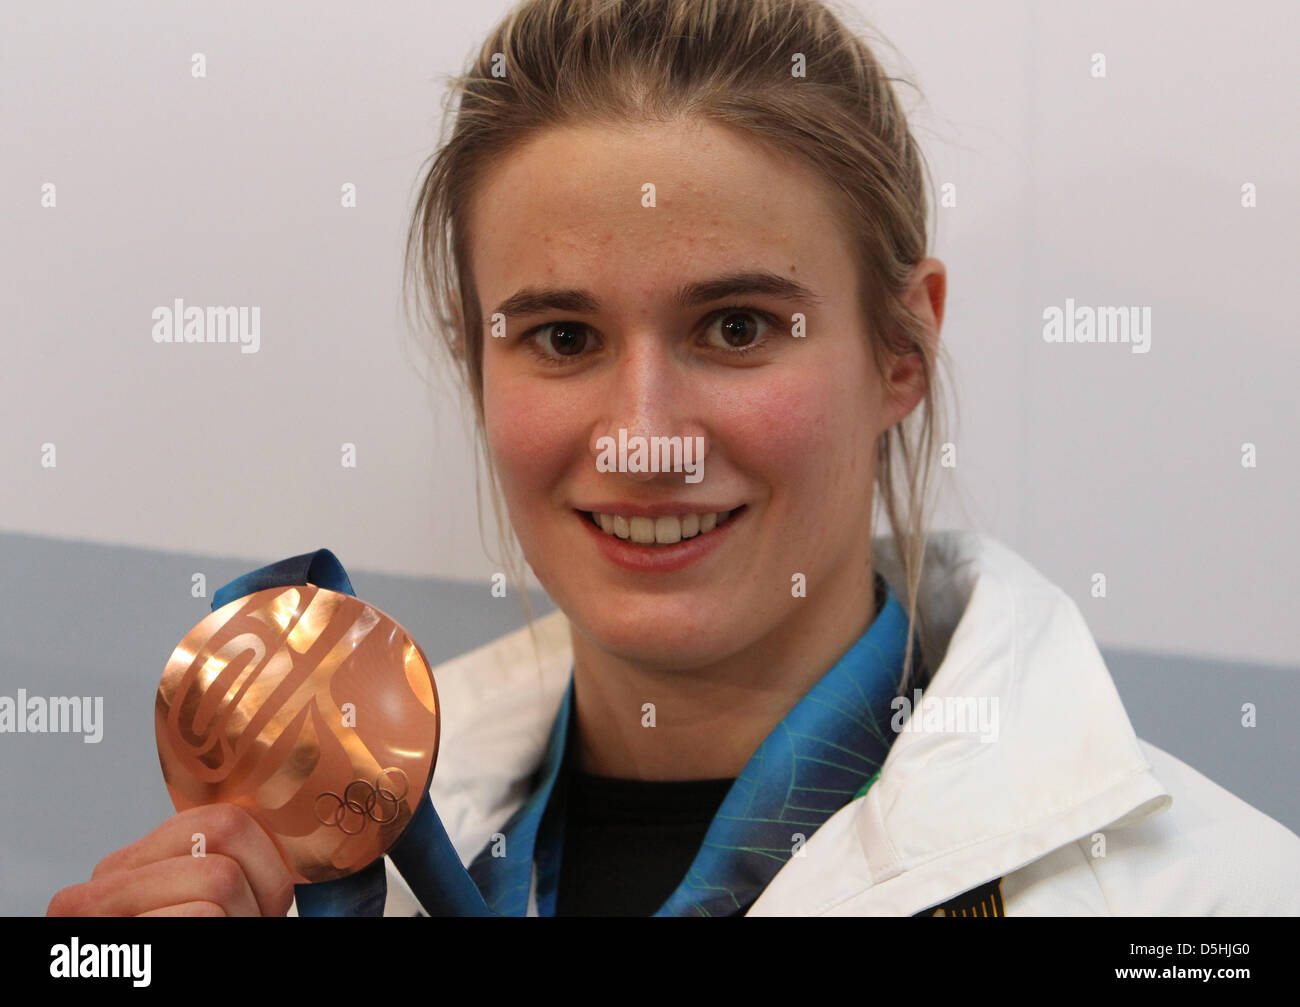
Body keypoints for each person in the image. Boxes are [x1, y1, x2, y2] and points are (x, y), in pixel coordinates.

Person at [49, 0, 1299, 918]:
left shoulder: (1220, 905)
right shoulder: (297, 872)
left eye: (736, 327)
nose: (642, 434)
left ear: (902, 345)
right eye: (562, 335)